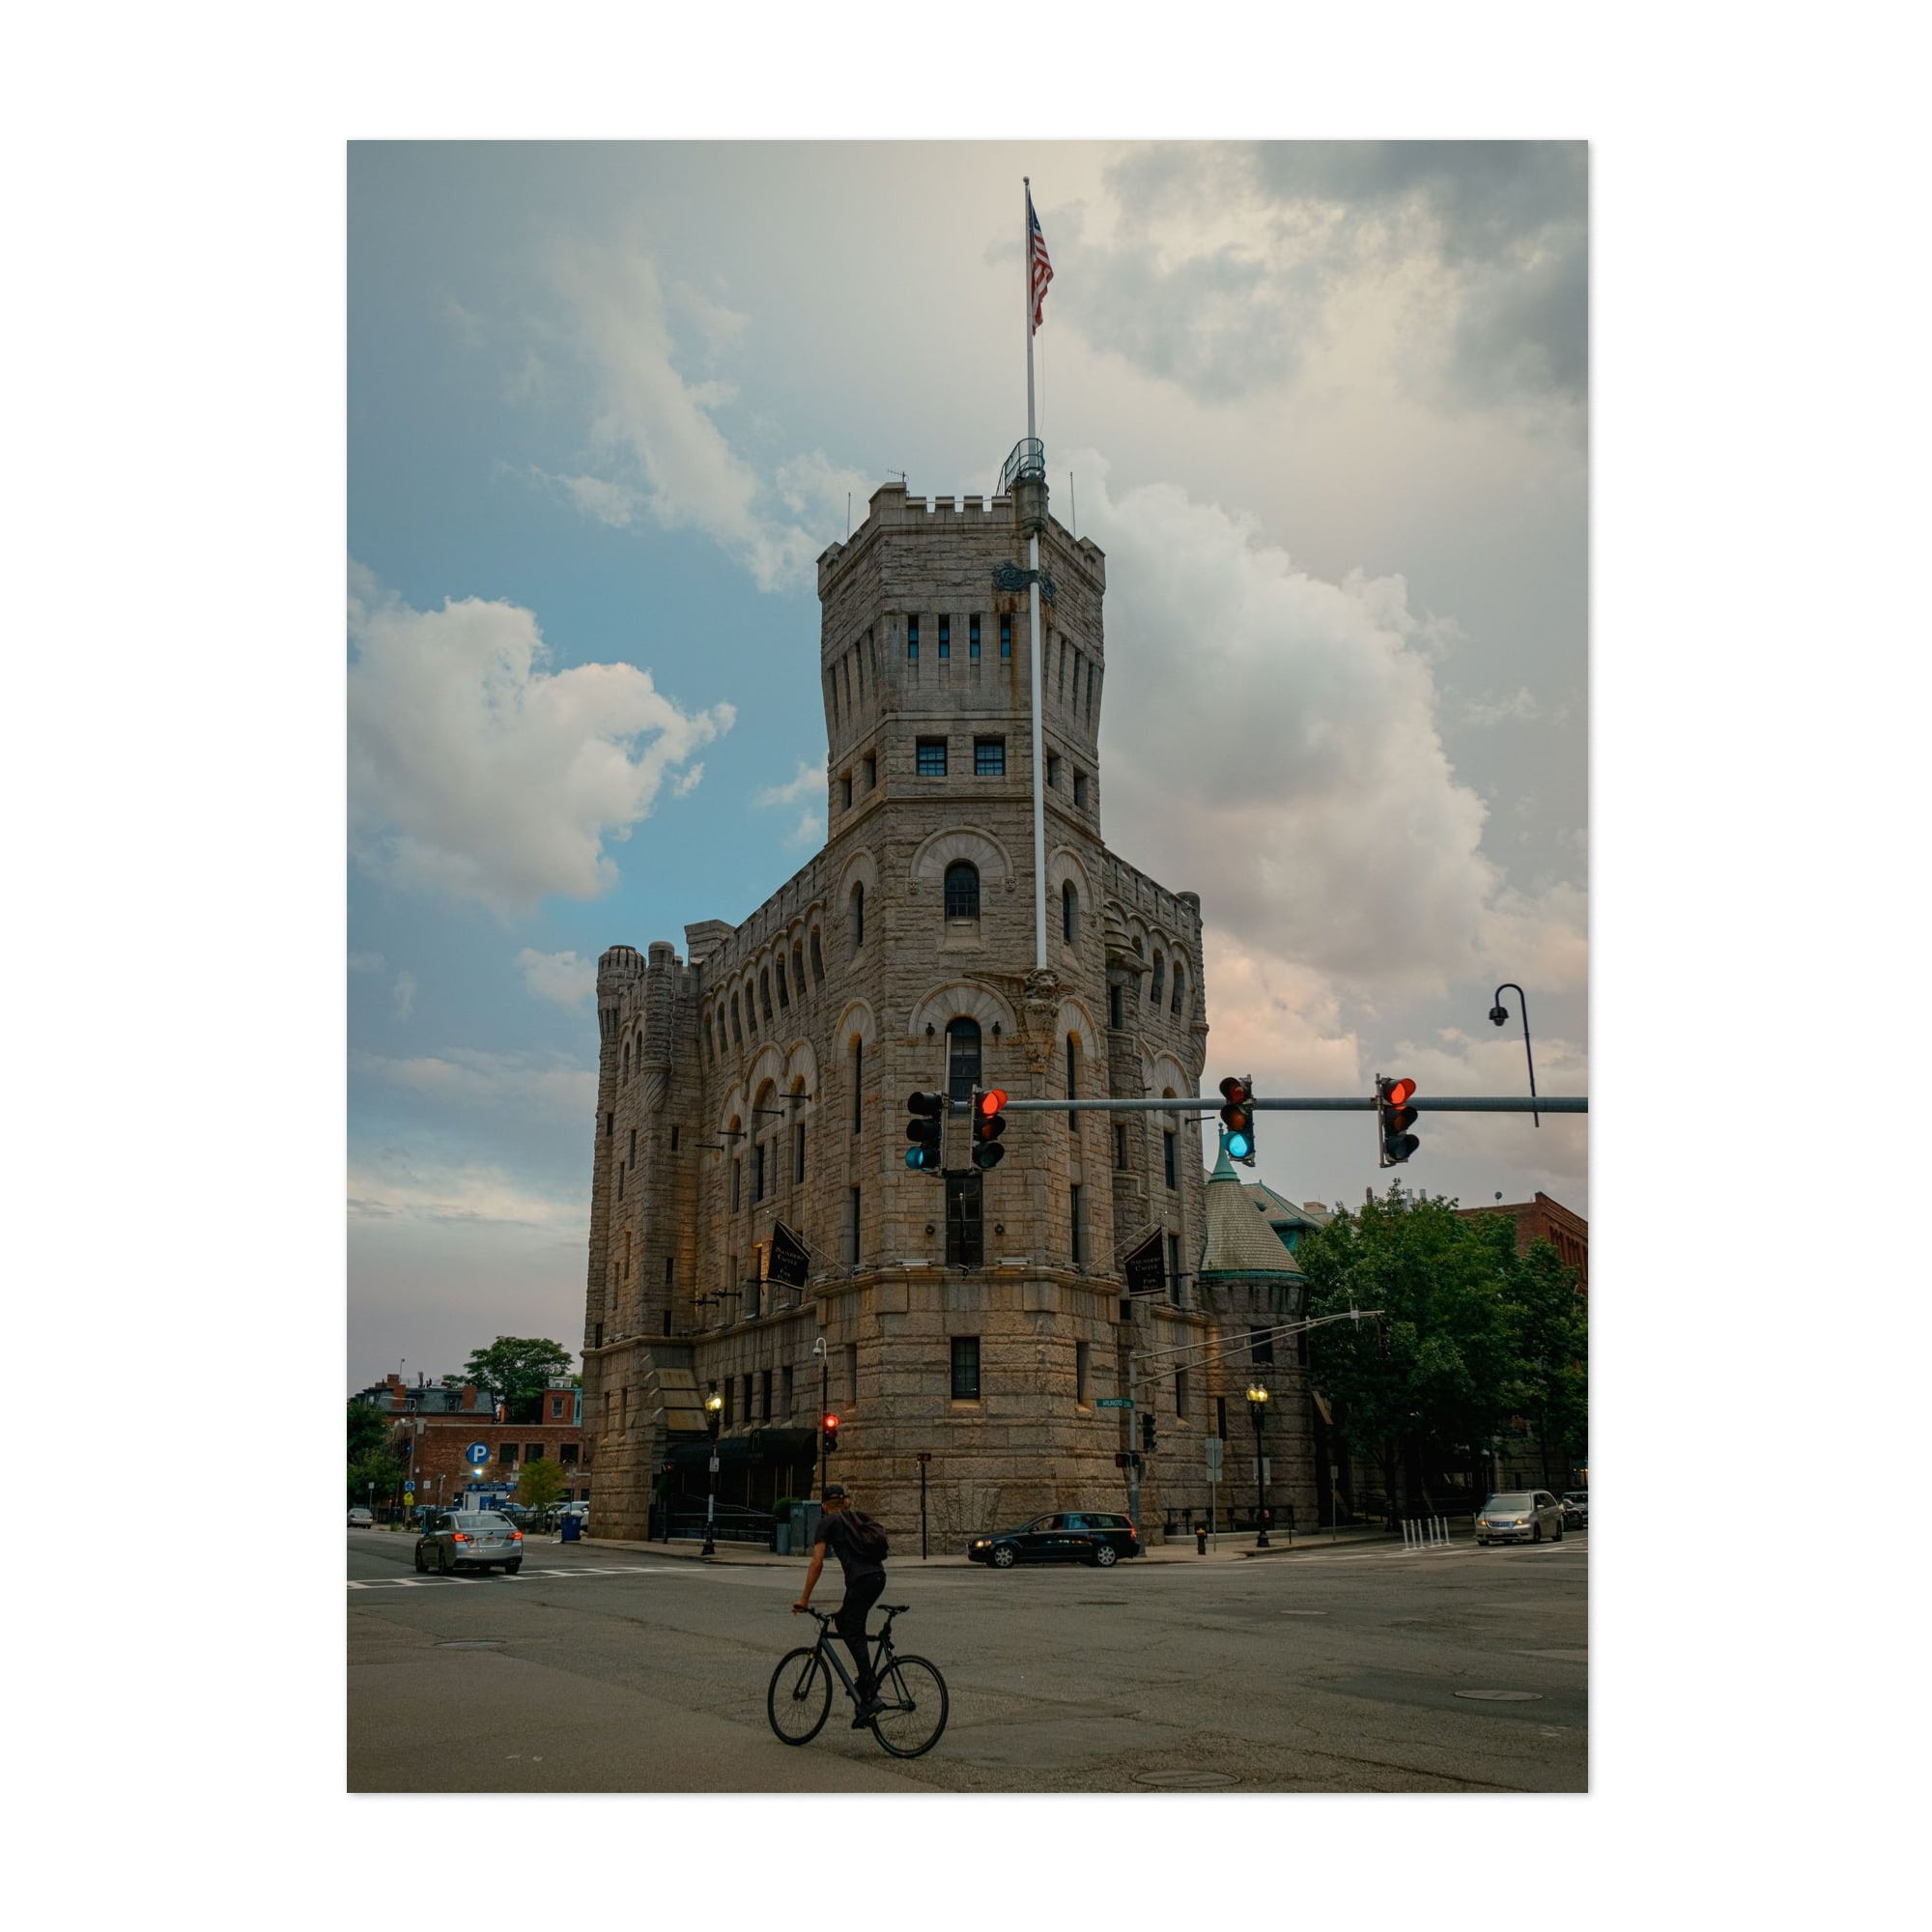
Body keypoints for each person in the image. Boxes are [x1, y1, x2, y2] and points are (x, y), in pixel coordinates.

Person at [793, 1483, 887, 1725]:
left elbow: (817, 1563)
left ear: (824, 1506)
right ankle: (864, 1691)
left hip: (861, 1581)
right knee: (845, 1620)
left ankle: (869, 1692)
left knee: (851, 1631)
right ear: (845, 1502)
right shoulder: (858, 1516)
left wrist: (804, 1598)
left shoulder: (827, 1523)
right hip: (877, 1577)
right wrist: (844, 1606)